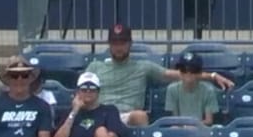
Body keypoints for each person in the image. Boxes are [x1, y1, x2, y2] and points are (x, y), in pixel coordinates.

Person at [85, 23, 233, 127]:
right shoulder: (95, 66)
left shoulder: (143, 66)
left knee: (141, 116)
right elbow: (81, 94)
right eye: (115, 43)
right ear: (109, 44)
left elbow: (182, 74)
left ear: (130, 44)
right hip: (101, 115)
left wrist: (213, 76)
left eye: (122, 43)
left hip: (128, 116)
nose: (118, 47)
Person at [52, 71, 129, 137]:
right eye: (84, 89)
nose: (88, 92)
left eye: (92, 89)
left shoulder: (109, 110)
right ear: (77, 92)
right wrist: (74, 111)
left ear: (98, 92)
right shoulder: (68, 113)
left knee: (101, 131)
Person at [164, 51, 220, 125]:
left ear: (199, 72)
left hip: (202, 129)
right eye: (183, 70)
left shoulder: (208, 90)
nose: (188, 73)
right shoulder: (172, 89)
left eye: (193, 70)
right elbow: (176, 120)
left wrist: (193, 126)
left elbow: (208, 121)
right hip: (180, 129)